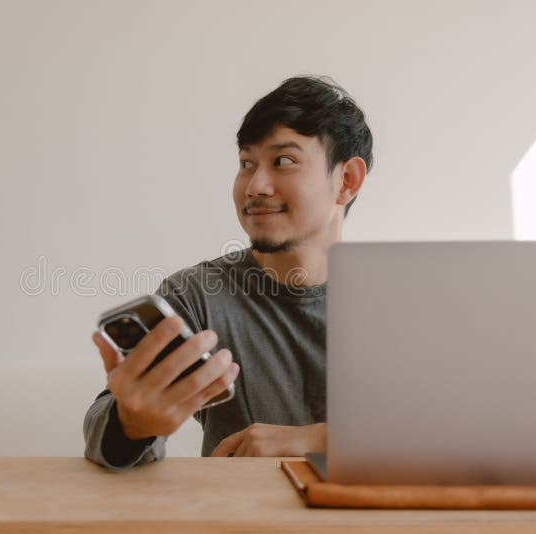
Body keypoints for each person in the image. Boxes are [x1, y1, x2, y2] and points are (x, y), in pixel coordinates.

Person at [84, 75, 373, 468]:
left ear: (347, 180)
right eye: (246, 164)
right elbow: (103, 431)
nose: (255, 185)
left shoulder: (401, 297)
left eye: (282, 161)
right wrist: (131, 424)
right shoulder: (197, 295)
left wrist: (319, 438)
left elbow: (459, 432)